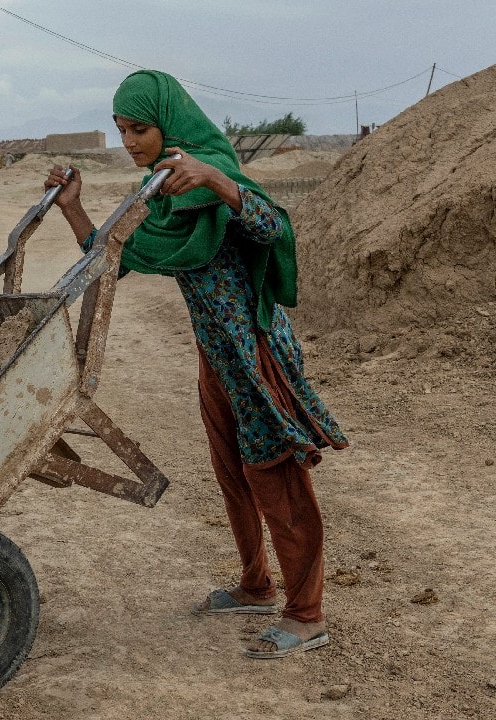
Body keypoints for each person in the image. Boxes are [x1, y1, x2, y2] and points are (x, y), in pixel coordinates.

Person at [45, 69, 348, 659]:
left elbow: (275, 225)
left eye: (139, 129)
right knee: (231, 470)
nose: (130, 142)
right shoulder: (161, 191)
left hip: (254, 353)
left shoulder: (209, 173)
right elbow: (116, 256)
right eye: (121, 131)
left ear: (169, 124)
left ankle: (307, 614)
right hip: (216, 357)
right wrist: (72, 208)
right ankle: (256, 585)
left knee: (275, 474)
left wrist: (215, 178)